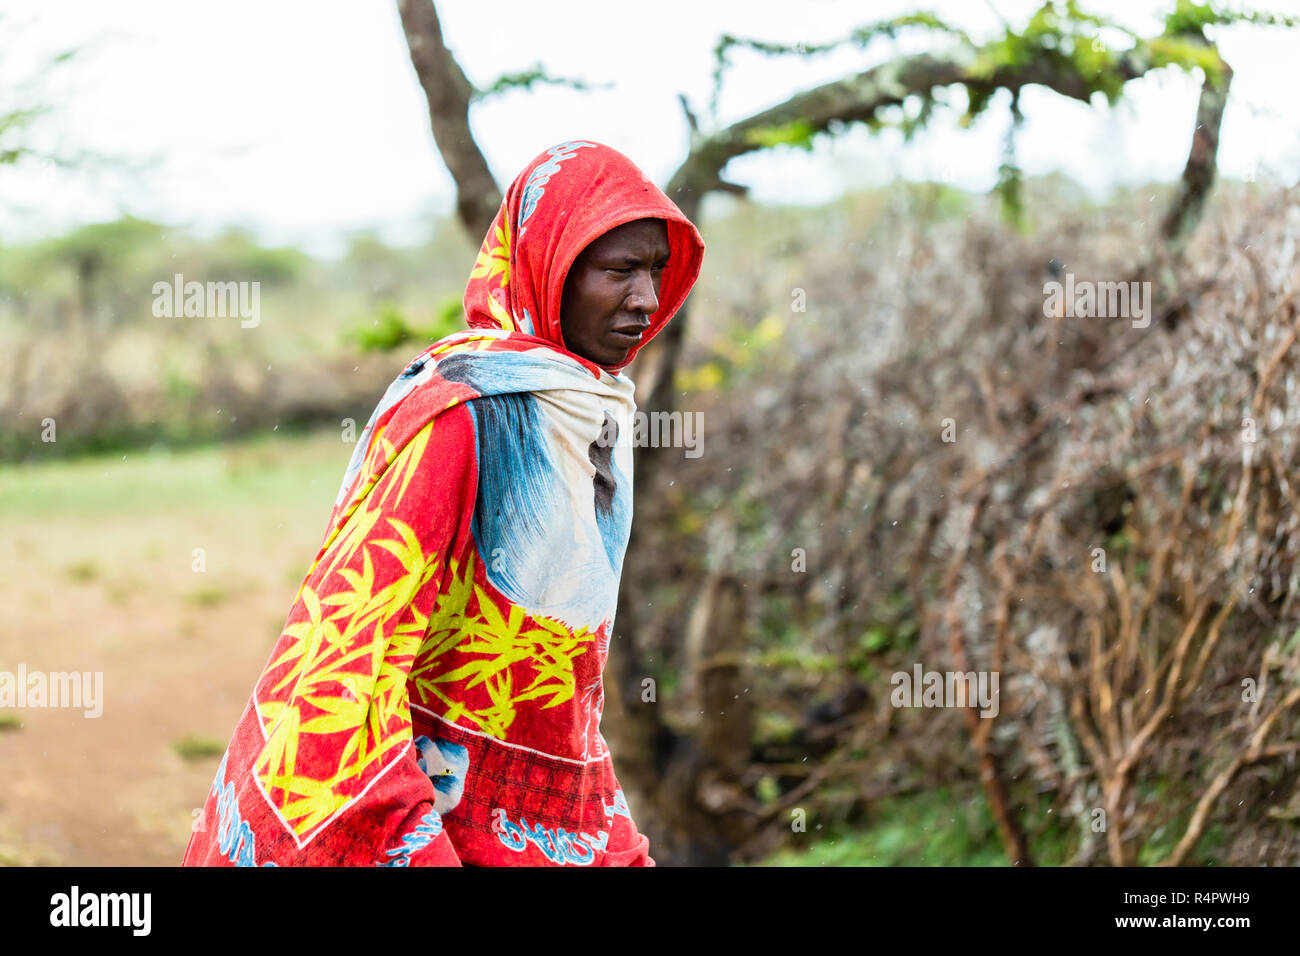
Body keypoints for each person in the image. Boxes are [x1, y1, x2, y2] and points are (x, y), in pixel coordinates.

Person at [182, 140, 705, 866]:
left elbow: (565, 683)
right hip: (415, 809)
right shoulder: (461, 416)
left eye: (656, 270)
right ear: (550, 270)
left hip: (535, 812)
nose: (646, 299)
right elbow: (351, 659)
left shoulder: (595, 411)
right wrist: (411, 839)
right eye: (620, 270)